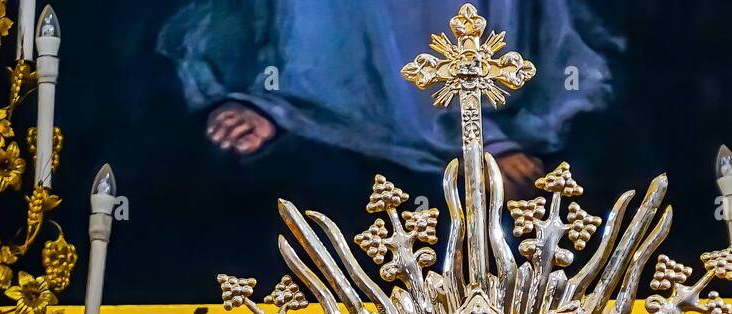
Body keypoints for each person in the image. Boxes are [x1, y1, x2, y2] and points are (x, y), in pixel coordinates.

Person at [158, 0, 616, 198]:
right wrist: (269, 95)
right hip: (316, 117)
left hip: (492, 109)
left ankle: (481, 129)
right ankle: (285, 98)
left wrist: (492, 136)